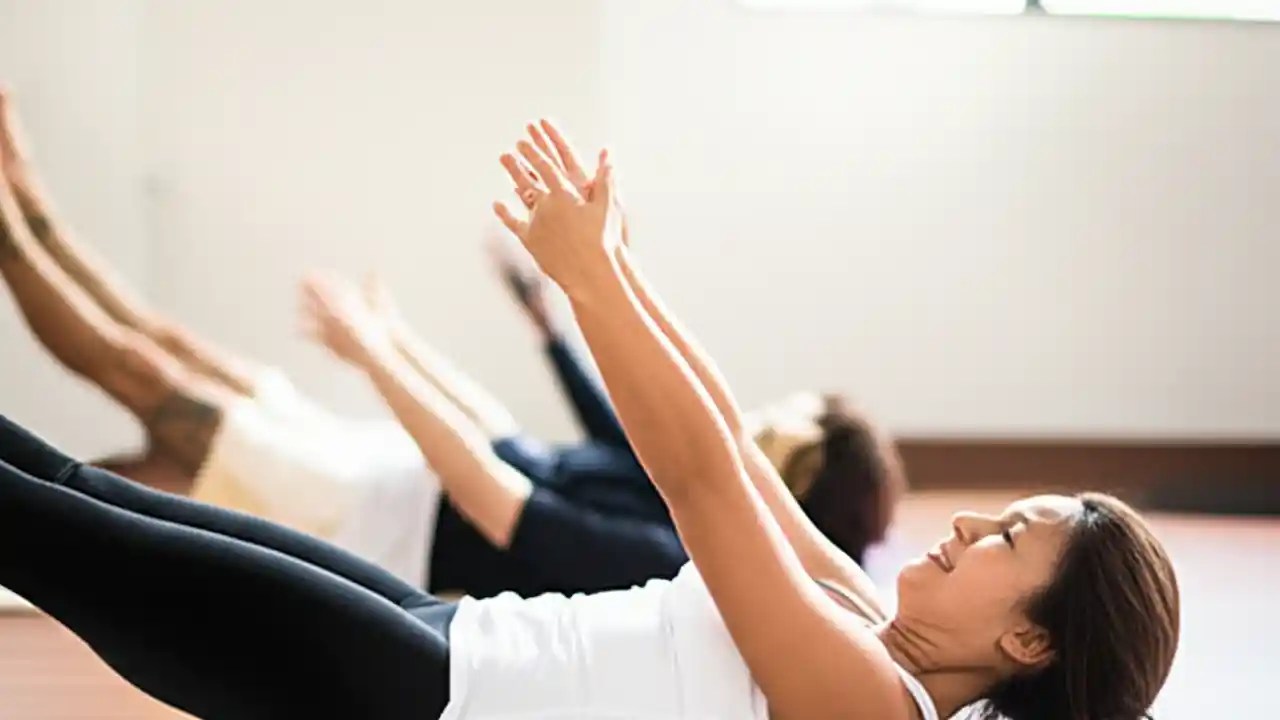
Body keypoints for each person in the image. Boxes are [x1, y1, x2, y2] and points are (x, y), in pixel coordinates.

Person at [0, 119, 1179, 720]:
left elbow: (704, 490)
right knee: (80, 496)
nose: (968, 523)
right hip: (442, 640)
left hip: (422, 696)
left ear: (1029, 643)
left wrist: (592, 286)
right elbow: (728, 443)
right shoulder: (865, 618)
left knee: (58, 535)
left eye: (1007, 543)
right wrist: (616, 267)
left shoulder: (870, 710)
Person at [0, 89, 903, 597]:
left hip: (370, 514)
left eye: (787, 424)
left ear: (803, 477)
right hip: (390, 471)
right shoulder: (692, 476)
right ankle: (28, 198)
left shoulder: (681, 551)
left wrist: (379, 354)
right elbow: (542, 424)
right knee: (170, 349)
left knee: (146, 374)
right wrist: (422, 340)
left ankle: (10, 218)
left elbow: (490, 489)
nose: (758, 414)